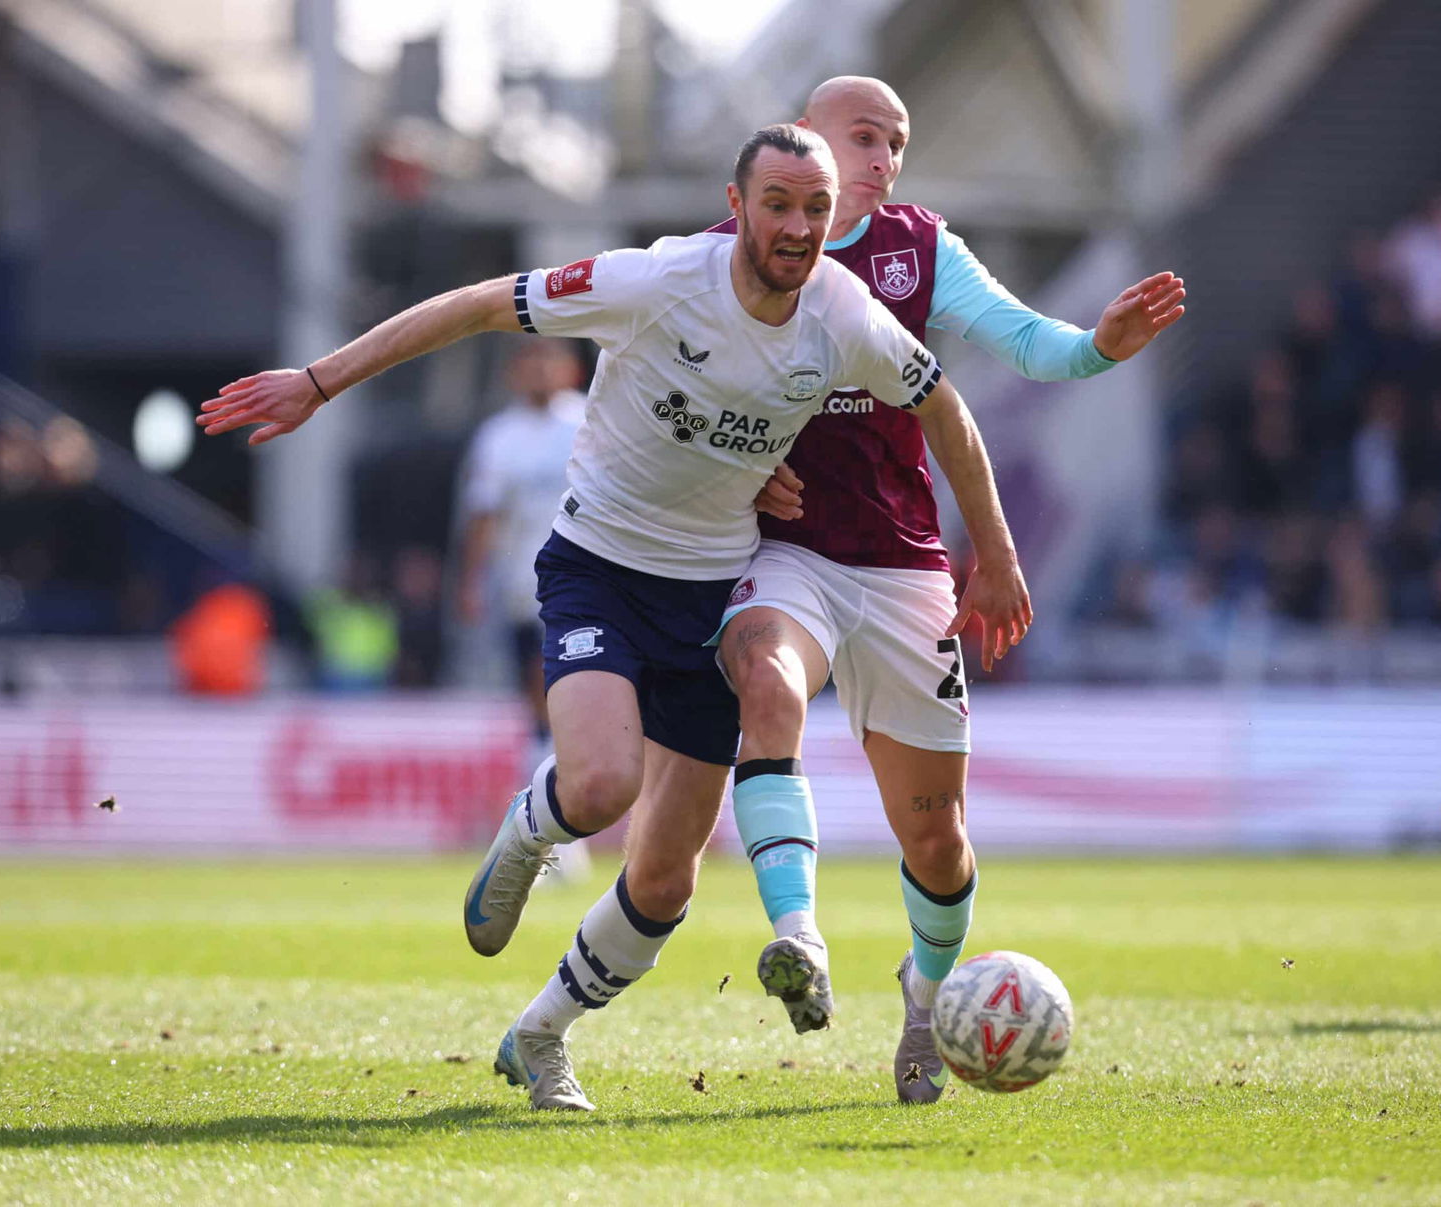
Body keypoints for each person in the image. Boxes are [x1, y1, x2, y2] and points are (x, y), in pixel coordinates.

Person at [197, 123, 1032, 1112]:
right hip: (598, 568)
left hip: (709, 595)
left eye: (815, 208)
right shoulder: (656, 280)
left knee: (667, 881)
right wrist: (319, 380)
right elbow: (479, 304)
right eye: (777, 204)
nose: (798, 227)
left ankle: (539, 1036)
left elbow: (942, 407)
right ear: (736, 207)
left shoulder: (844, 311)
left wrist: (991, 549)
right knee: (599, 787)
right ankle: (527, 834)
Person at [707, 77, 1186, 1103]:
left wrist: (1097, 347)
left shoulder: (920, 248)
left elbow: (1029, 343)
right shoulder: (723, 250)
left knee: (936, 838)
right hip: (784, 552)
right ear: (803, 139)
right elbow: (660, 394)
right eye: (864, 136)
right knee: (767, 684)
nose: (884, 158)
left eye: (897, 142)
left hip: (902, 562)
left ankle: (924, 1000)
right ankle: (799, 937)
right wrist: (732, 463)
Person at [455, 341, 592, 877]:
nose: (538, 370)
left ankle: (558, 827)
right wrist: (472, 581)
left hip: (591, 583)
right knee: (542, 703)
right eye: (528, 360)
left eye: (547, 359)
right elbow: (484, 514)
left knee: (575, 702)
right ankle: (554, 831)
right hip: (523, 589)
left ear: (570, 368)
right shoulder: (499, 436)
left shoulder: (590, 420)